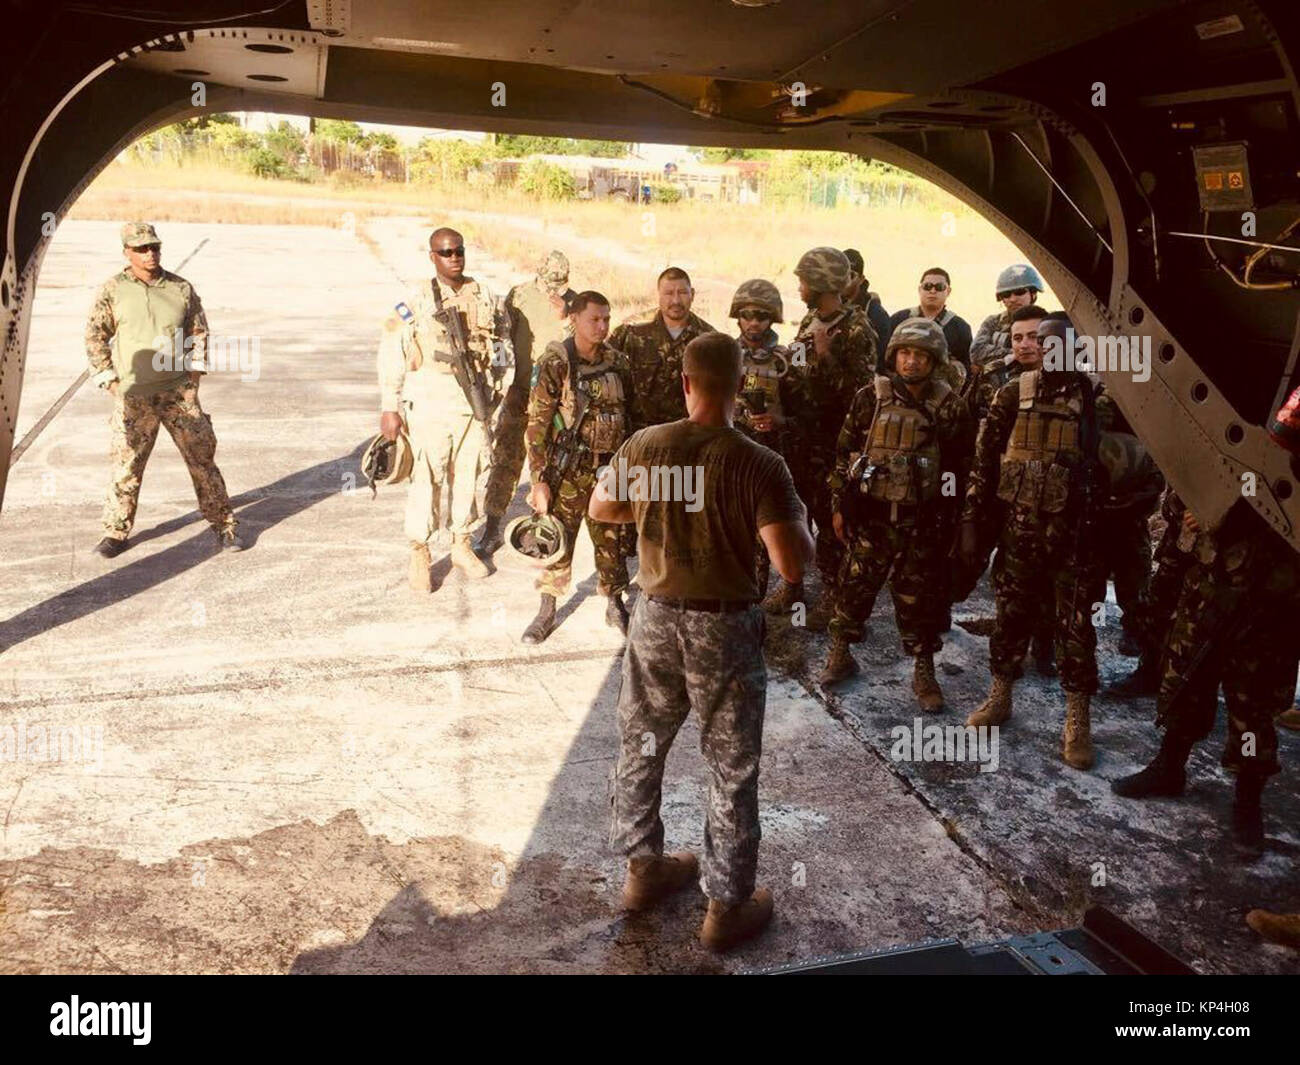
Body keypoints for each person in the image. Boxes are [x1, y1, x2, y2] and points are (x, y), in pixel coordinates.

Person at [592, 332, 813, 952]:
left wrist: (664, 512)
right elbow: (792, 565)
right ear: (741, 385)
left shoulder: (646, 444)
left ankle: (642, 872)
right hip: (723, 627)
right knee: (732, 767)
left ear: (685, 383)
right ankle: (725, 907)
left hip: (655, 614)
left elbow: (601, 508)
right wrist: (803, 525)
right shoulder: (760, 464)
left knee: (641, 742)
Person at [1112, 385, 1300, 846]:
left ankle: (1247, 800)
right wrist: (1200, 506)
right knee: (1186, 680)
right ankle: (1169, 767)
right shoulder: (1260, 402)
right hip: (1211, 581)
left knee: (1252, 706)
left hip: (1272, 596)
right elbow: (1201, 470)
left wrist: (1232, 512)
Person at [959, 312, 1106, 768]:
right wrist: (971, 522)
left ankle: (1077, 718)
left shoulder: (1093, 399)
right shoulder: (1012, 393)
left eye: (1059, 342)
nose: (1048, 349)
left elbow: (1114, 468)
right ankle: (1000, 695)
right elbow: (984, 463)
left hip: (1074, 540)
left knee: (1077, 628)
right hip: (1020, 533)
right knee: (1011, 617)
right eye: (1043, 342)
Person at [819, 318, 974, 706]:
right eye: (905, 353)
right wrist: (840, 506)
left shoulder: (950, 407)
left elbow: (961, 465)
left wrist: (950, 520)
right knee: (854, 588)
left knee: (919, 601)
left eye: (921, 355)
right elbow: (843, 456)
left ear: (934, 360)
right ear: (893, 355)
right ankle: (840, 653)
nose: (911, 362)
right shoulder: (869, 399)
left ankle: (924, 671)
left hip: (922, 524)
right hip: (872, 517)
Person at [86, 221, 241, 556]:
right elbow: (96, 335)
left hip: (177, 394)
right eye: (141, 248)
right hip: (133, 395)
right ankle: (115, 532)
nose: (150, 253)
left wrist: (194, 378)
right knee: (127, 465)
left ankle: (224, 525)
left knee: (202, 460)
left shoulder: (180, 288)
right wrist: (108, 380)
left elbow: (198, 333)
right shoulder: (113, 289)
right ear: (127, 251)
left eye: (154, 246)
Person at [377, 226, 510, 590]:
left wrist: (498, 387)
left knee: (468, 474)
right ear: (432, 257)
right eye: (446, 252)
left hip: (474, 403)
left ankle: (461, 544)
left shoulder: (487, 297)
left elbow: (503, 346)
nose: (455, 258)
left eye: (459, 251)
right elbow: (392, 351)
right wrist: (390, 405)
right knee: (428, 475)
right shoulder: (415, 301)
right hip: (430, 400)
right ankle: (420, 550)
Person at [763, 247, 875, 628]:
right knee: (797, 515)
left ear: (823, 282)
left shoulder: (858, 329)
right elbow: (796, 371)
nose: (799, 287)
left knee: (831, 524)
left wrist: (826, 356)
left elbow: (863, 396)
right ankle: (793, 585)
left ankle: (831, 594)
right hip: (801, 438)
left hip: (832, 444)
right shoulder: (811, 318)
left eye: (804, 280)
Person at [519, 291, 632, 643]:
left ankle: (614, 603)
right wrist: (538, 479)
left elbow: (634, 416)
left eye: (606, 319)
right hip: (568, 470)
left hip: (608, 469)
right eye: (594, 319)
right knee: (558, 538)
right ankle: (547, 609)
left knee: (611, 539)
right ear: (575, 320)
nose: (602, 326)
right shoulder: (558, 361)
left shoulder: (617, 361)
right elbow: (537, 424)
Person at [479, 250, 575, 556]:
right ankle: (492, 528)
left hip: (556, 398)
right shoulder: (518, 296)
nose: (554, 289)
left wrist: (565, 319)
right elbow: (501, 341)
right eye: (550, 282)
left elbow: (581, 346)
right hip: (521, 391)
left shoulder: (575, 302)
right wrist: (496, 382)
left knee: (551, 466)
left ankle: (544, 530)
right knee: (505, 459)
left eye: (560, 283)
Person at [729, 278, 803, 597]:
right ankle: (746, 600)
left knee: (776, 529)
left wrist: (780, 422)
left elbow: (807, 416)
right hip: (735, 456)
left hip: (775, 459)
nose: (753, 322)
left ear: (772, 318)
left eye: (761, 315)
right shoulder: (726, 354)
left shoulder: (787, 360)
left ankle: (786, 590)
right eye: (746, 315)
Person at [609, 266, 715, 433]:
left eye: (682, 292)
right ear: (658, 295)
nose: (676, 300)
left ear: (692, 294)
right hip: (638, 436)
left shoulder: (708, 338)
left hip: (687, 437)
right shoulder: (631, 331)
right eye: (668, 293)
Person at [887, 267, 972, 374]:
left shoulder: (960, 328)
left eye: (939, 287)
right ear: (920, 289)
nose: (932, 291)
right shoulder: (899, 319)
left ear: (948, 291)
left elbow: (966, 369)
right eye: (927, 286)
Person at [969, 263, 1044, 375]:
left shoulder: (1045, 322)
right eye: (1006, 294)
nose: (1012, 299)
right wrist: (1018, 353)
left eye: (1019, 292)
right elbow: (976, 353)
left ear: (1033, 294)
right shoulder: (993, 322)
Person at [842, 248, 893, 354]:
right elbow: (798, 356)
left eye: (850, 275)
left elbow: (881, 362)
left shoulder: (877, 315)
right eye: (839, 274)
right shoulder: (821, 308)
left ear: (861, 279)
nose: (843, 280)